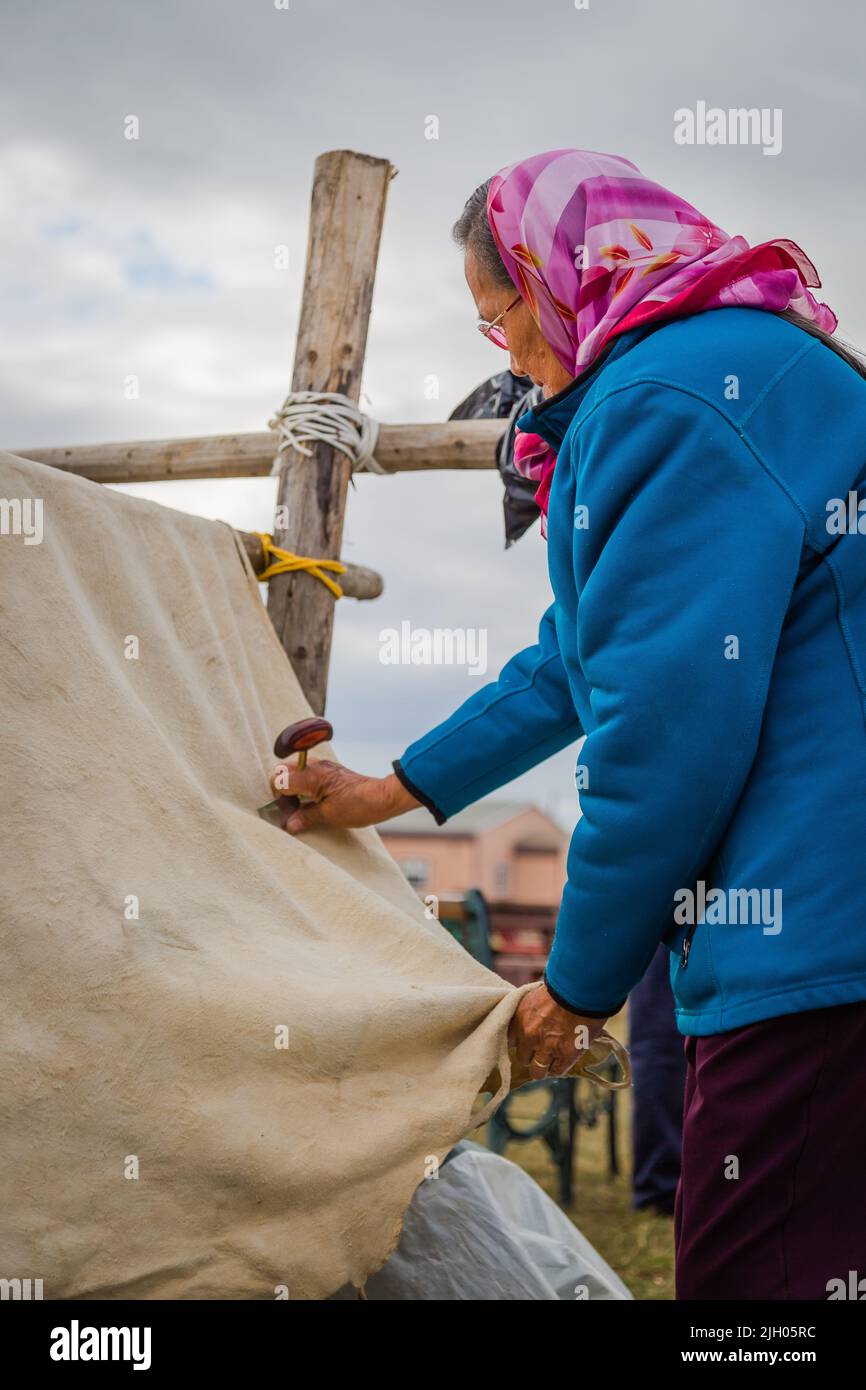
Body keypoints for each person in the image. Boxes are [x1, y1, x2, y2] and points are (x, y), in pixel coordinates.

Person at [268, 149, 866, 1300]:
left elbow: (659, 733)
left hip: (818, 940)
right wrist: (389, 789)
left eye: (507, 321)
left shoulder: (659, 399)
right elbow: (575, 660)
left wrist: (577, 985)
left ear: (561, 280)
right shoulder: (742, 365)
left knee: (755, 1293)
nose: (520, 358)